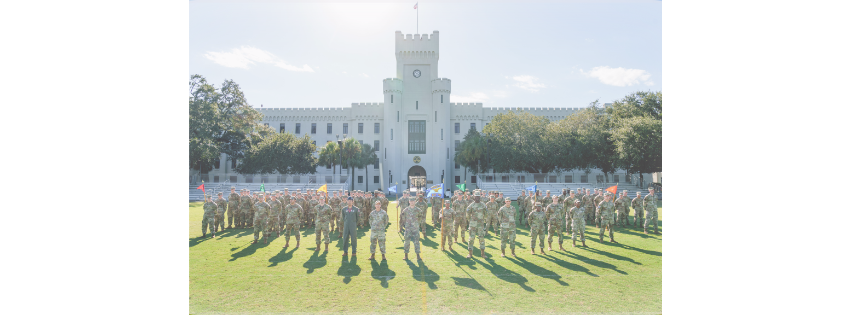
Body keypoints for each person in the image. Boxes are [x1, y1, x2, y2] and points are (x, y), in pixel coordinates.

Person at [466, 191, 488, 259]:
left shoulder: (483, 205)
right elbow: (467, 213)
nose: (477, 197)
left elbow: (486, 213)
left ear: (480, 197)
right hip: (473, 224)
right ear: (474, 197)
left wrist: (483, 219)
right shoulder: (471, 205)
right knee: (471, 238)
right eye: (476, 196)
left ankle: (483, 253)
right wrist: (470, 220)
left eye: (478, 196)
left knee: (481, 238)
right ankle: (470, 253)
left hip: (480, 224)